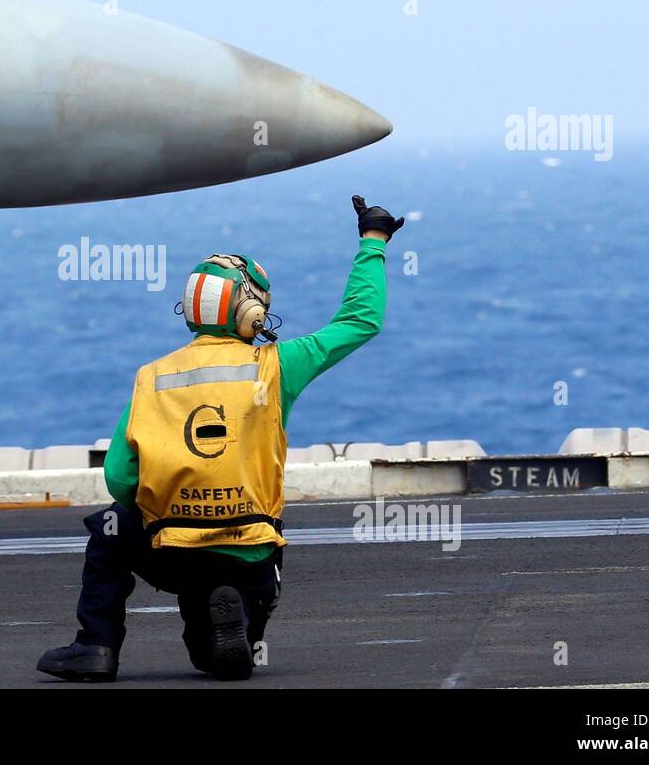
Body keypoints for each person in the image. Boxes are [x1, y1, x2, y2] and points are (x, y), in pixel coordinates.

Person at [37, 195, 403, 682]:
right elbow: (360, 321)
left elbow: (119, 477)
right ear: (250, 312)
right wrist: (372, 241)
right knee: (218, 659)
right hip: (251, 549)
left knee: (110, 527)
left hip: (174, 550)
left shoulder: (152, 377)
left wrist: (167, 507)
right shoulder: (276, 367)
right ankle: (239, 618)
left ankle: (96, 648)